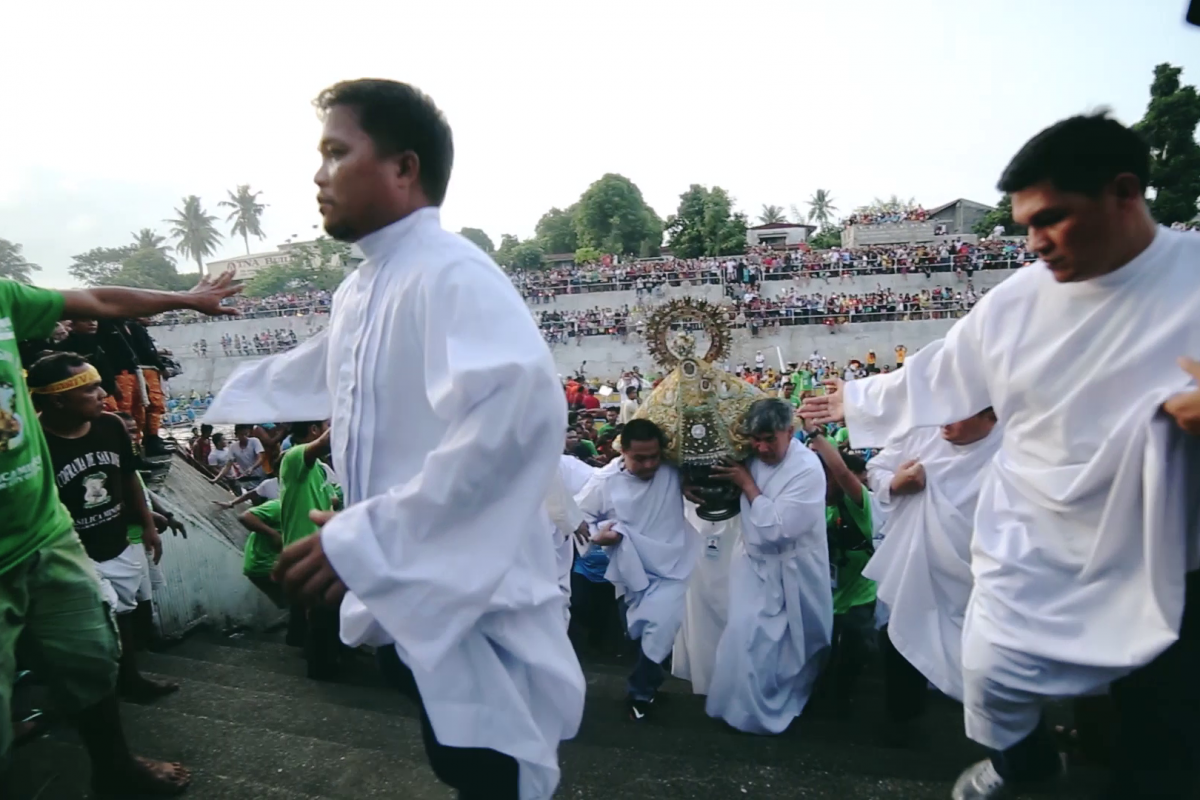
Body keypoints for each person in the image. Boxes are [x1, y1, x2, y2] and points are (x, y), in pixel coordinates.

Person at [801, 112, 1200, 800]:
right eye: (1025, 226)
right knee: (992, 672)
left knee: (1165, 726)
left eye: (1053, 219)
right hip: (1037, 533)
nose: (1036, 243)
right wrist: (853, 401)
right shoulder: (1017, 300)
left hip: (1169, 541)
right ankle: (1026, 764)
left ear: (1125, 192)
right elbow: (939, 372)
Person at [204, 79, 583, 800]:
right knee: (452, 754)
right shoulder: (361, 288)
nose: (319, 176)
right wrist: (226, 396)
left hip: (475, 594)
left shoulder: (454, 274)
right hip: (404, 583)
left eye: (336, 153)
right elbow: (338, 368)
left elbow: (513, 423)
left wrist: (370, 535)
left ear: (404, 168)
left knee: (489, 766)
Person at [0, 270, 239, 798]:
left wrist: (188, 299)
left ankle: (114, 766)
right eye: (87, 390)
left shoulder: (5, 296)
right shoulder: (50, 426)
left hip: (44, 535)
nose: (102, 396)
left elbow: (98, 299)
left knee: (90, 654)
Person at [29, 353, 180, 703]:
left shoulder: (111, 426)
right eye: (91, 389)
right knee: (86, 630)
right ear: (58, 399)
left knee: (124, 614)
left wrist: (147, 524)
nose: (103, 394)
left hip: (115, 541)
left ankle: (129, 680)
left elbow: (128, 478)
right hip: (69, 554)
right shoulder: (33, 445)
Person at [862, 409, 1001, 744]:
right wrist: (895, 483)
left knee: (980, 646)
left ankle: (990, 722)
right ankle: (901, 719)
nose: (945, 419)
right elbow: (876, 469)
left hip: (978, 569)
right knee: (901, 630)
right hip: (917, 561)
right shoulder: (921, 428)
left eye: (959, 413)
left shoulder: (1012, 444)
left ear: (990, 416)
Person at [704, 399, 832, 734]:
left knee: (791, 645)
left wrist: (747, 483)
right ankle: (744, 711)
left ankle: (784, 702)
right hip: (753, 566)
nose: (761, 447)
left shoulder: (806, 469)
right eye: (754, 439)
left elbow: (779, 530)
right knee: (746, 636)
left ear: (789, 432)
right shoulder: (748, 456)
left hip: (794, 568)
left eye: (769, 439)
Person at [575, 419, 699, 721]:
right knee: (640, 630)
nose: (649, 464)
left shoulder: (671, 469)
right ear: (622, 453)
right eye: (640, 458)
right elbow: (580, 518)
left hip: (674, 564)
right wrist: (598, 535)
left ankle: (640, 692)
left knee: (660, 626)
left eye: (654, 456)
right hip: (630, 568)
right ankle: (650, 681)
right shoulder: (604, 481)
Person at [807, 429, 876, 716]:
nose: (823, 484)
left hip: (859, 594)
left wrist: (815, 436)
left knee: (852, 646)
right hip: (827, 594)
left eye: (827, 477)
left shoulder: (858, 505)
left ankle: (843, 700)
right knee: (822, 650)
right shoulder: (813, 507)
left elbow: (845, 476)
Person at [277, 421, 339, 679]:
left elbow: (331, 499)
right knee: (319, 613)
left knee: (318, 611)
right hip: (304, 546)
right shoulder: (293, 458)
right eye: (325, 425)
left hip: (322, 546)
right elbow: (325, 442)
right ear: (314, 430)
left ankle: (325, 655)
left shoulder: (320, 470)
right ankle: (321, 669)